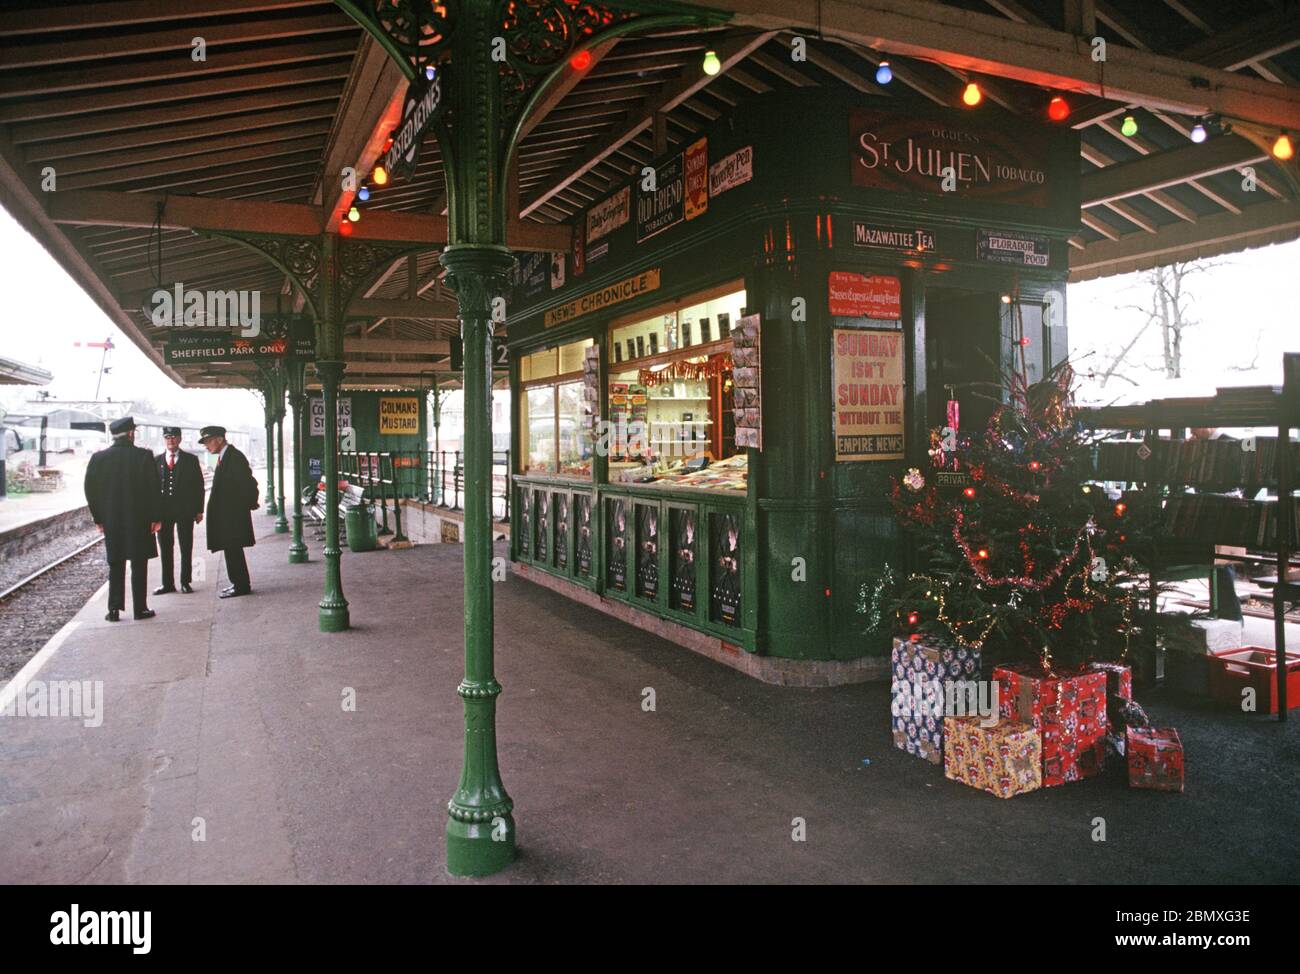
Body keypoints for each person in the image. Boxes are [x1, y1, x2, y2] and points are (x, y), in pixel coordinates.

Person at [83, 416, 162, 622]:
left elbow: (90, 491)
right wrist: (155, 517)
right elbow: (153, 489)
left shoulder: (98, 459)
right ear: (130, 434)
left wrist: (99, 518)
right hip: (140, 520)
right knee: (138, 563)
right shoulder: (144, 456)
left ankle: (114, 610)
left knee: (116, 563)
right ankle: (140, 608)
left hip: (112, 521)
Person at [198, 425, 258, 598]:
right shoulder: (226, 457)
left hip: (232, 516)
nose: (206, 446)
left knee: (233, 550)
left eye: (208, 441)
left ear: (219, 439)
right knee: (231, 550)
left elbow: (247, 484)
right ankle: (237, 583)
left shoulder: (234, 457)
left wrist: (242, 508)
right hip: (229, 516)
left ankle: (240, 585)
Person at [154, 426, 205, 595]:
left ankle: (185, 582)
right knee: (165, 547)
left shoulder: (191, 460)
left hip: (184, 510)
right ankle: (167, 583)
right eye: (168, 437)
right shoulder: (156, 461)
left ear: (180, 439)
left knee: (186, 546)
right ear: (164, 439)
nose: (171, 440)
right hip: (163, 512)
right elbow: (151, 489)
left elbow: (199, 486)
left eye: (174, 437)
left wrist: (199, 510)